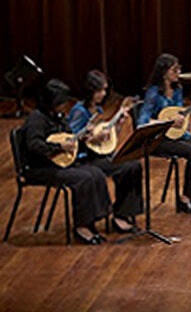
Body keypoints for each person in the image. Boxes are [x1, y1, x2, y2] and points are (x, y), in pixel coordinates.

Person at [22, 79, 123, 244]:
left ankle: (92, 221)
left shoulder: (58, 116)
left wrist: (83, 136)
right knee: (83, 178)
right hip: (40, 166)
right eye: (60, 102)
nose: (63, 105)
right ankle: (81, 227)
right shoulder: (37, 118)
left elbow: (70, 135)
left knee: (95, 173)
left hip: (59, 162)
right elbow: (34, 145)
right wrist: (58, 146)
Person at [138, 54, 191, 214]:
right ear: (164, 73)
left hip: (178, 135)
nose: (178, 72)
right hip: (159, 139)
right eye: (174, 69)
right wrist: (166, 123)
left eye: (179, 69)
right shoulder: (153, 93)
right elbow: (142, 122)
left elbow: (180, 114)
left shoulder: (177, 90)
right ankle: (187, 198)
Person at [67, 71, 143, 234]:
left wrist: (118, 125)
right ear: (90, 91)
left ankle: (122, 214)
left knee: (133, 165)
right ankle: (93, 220)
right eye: (99, 90)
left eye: (104, 90)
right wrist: (91, 138)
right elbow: (71, 139)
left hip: (99, 154)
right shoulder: (79, 111)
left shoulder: (98, 110)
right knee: (123, 167)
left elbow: (105, 140)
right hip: (84, 159)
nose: (103, 94)